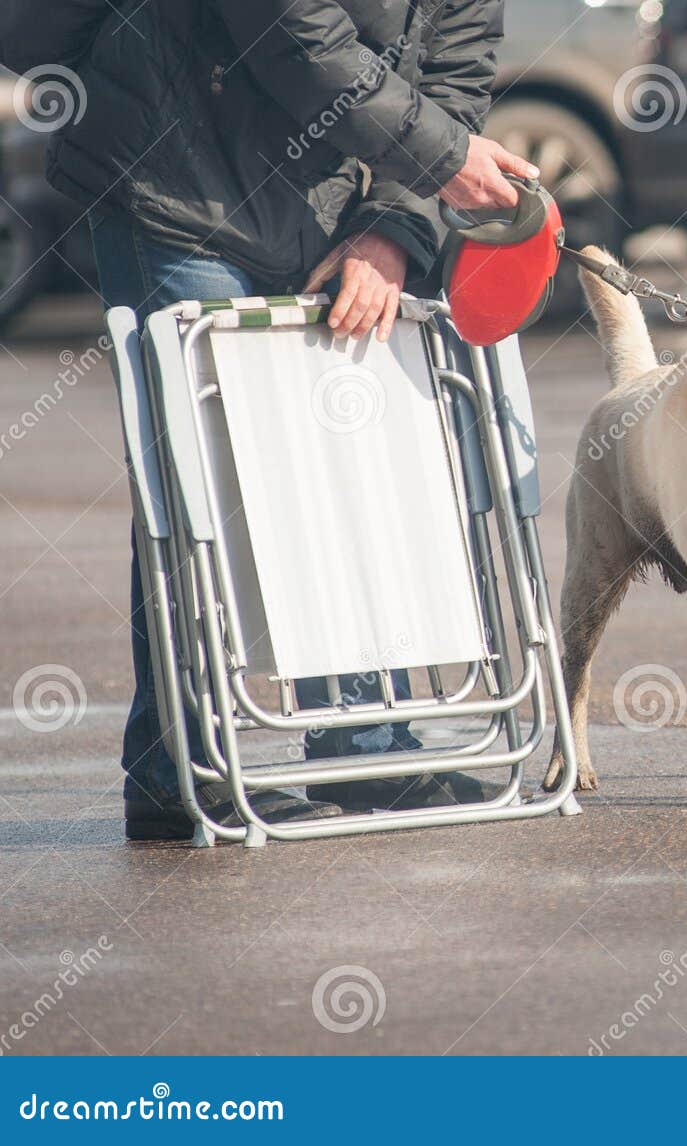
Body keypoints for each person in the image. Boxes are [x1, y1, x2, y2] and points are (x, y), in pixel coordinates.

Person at [0, 0, 537, 839]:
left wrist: (392, 230)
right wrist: (444, 157)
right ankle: (179, 765)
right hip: (172, 171)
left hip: (326, 192)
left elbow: (454, 75)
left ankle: (364, 740)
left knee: (337, 457)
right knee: (206, 480)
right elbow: (294, 34)